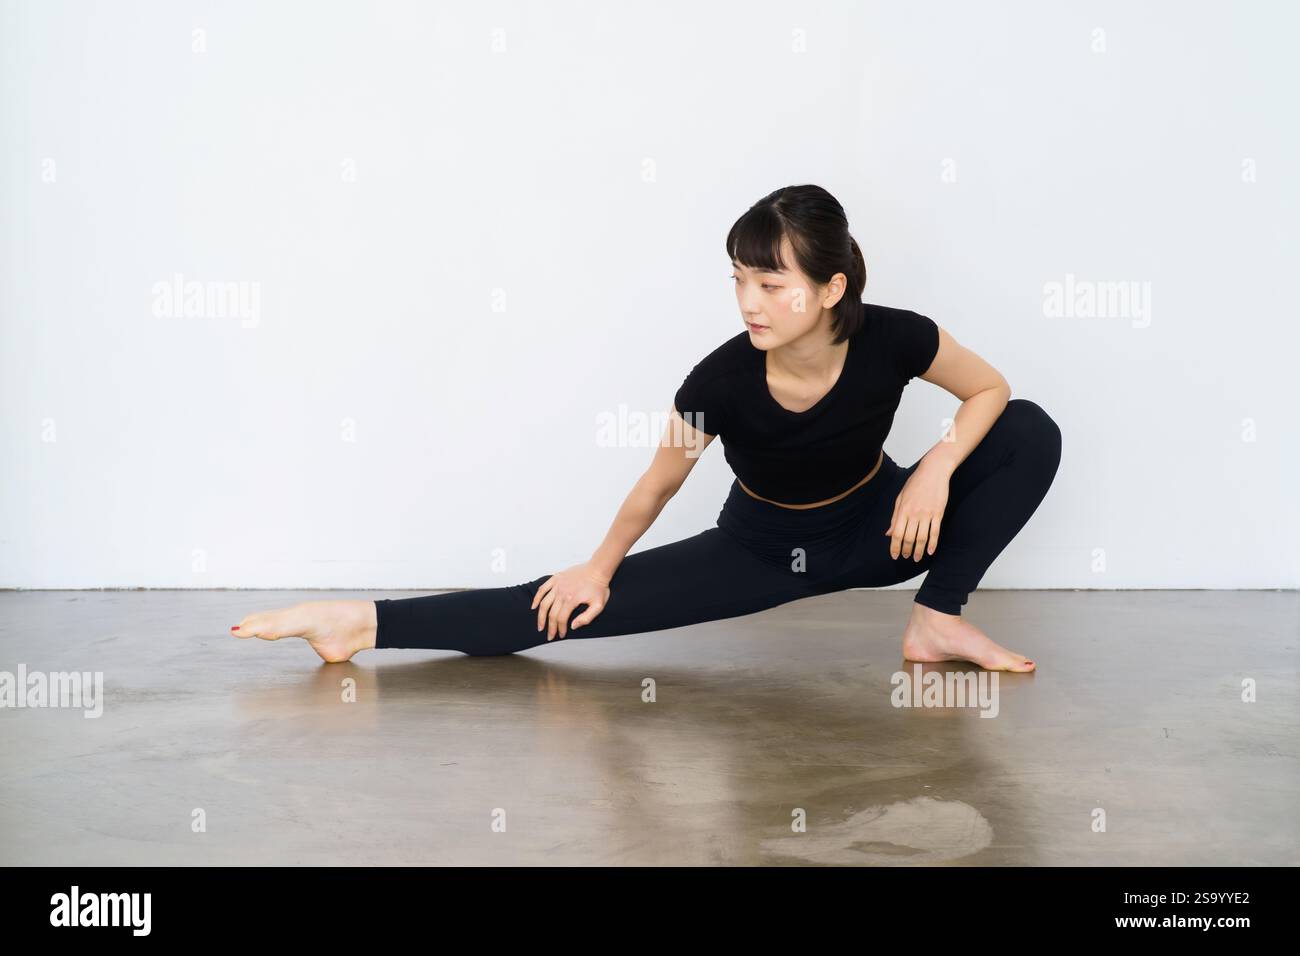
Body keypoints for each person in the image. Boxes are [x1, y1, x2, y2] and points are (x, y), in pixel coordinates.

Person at [232, 185, 1061, 672]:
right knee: (567, 609)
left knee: (1030, 430)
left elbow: (990, 391)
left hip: (883, 527)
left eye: (773, 284)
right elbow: (660, 481)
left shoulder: (896, 336)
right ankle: (360, 623)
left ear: (833, 287)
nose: (749, 304)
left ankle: (935, 618)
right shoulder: (723, 378)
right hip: (759, 550)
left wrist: (936, 467)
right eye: (740, 280)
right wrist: (598, 567)